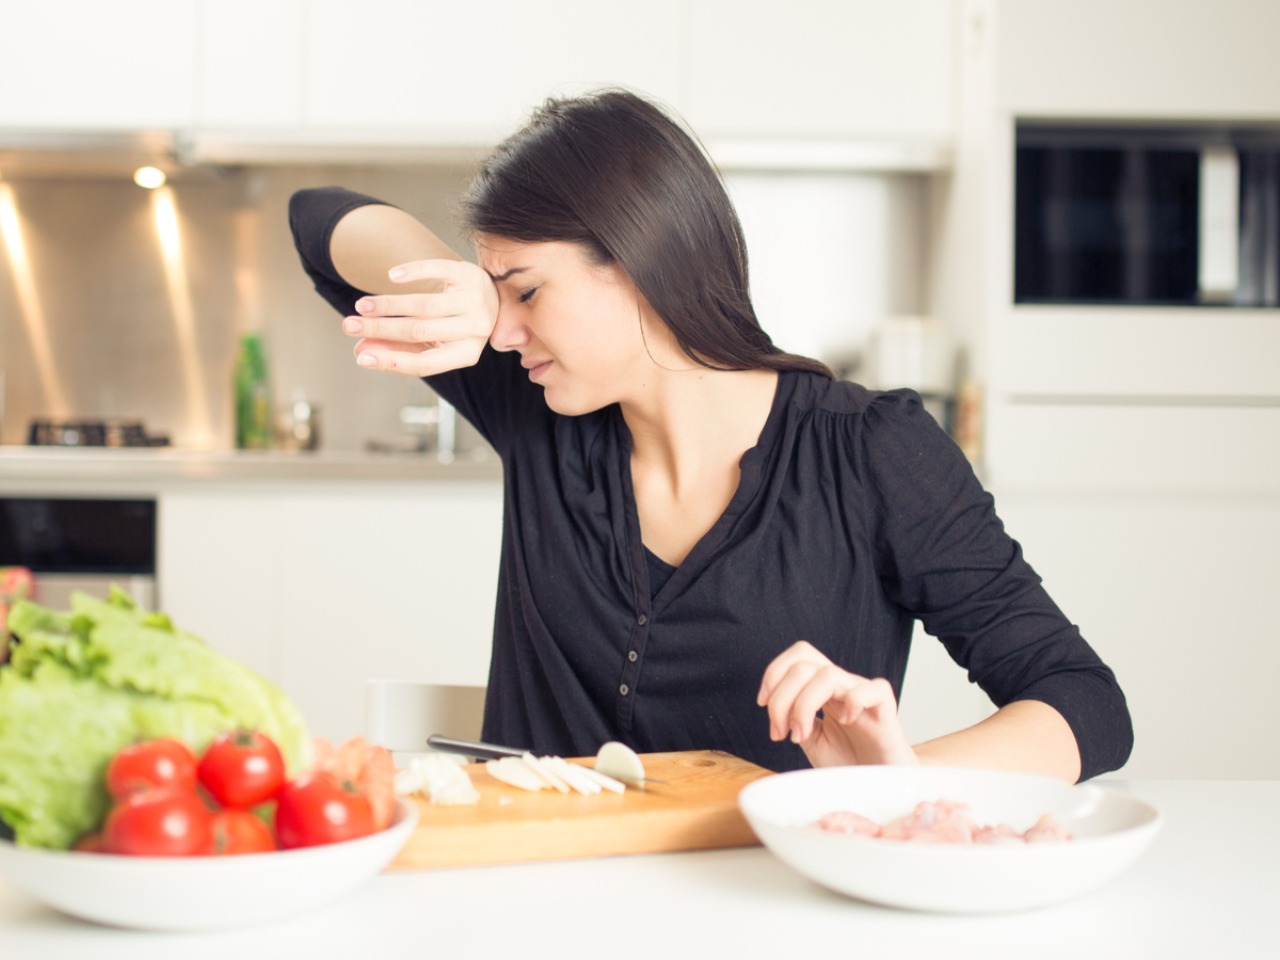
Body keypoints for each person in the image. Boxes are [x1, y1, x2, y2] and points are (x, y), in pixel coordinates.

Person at [289, 88, 1132, 782]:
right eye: (498, 299)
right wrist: (469, 288)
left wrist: (893, 784)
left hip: (759, 910)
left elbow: (1083, 703)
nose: (504, 332)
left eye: (530, 292)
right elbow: (318, 220)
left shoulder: (872, 452)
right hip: (535, 901)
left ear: (639, 262)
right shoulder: (539, 407)